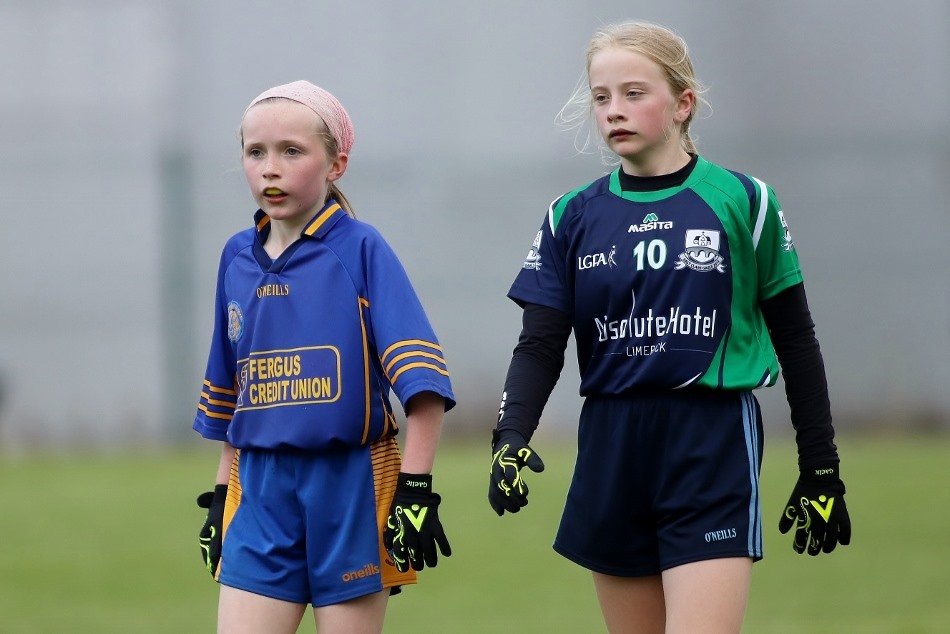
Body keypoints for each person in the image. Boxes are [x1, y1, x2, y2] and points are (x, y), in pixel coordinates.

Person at [488, 22, 851, 633]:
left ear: (683, 103)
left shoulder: (744, 200)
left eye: (634, 93)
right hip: (610, 441)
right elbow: (541, 343)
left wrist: (820, 465)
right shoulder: (571, 215)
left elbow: (797, 338)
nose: (613, 112)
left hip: (708, 440)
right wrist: (509, 436)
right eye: (601, 97)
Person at [192, 80, 454, 634]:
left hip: (351, 485)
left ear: (336, 163)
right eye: (255, 152)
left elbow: (424, 390)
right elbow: (234, 398)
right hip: (257, 488)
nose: (270, 168)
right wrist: (221, 496)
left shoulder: (360, 248)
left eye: (292, 151)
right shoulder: (236, 257)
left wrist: (415, 488)